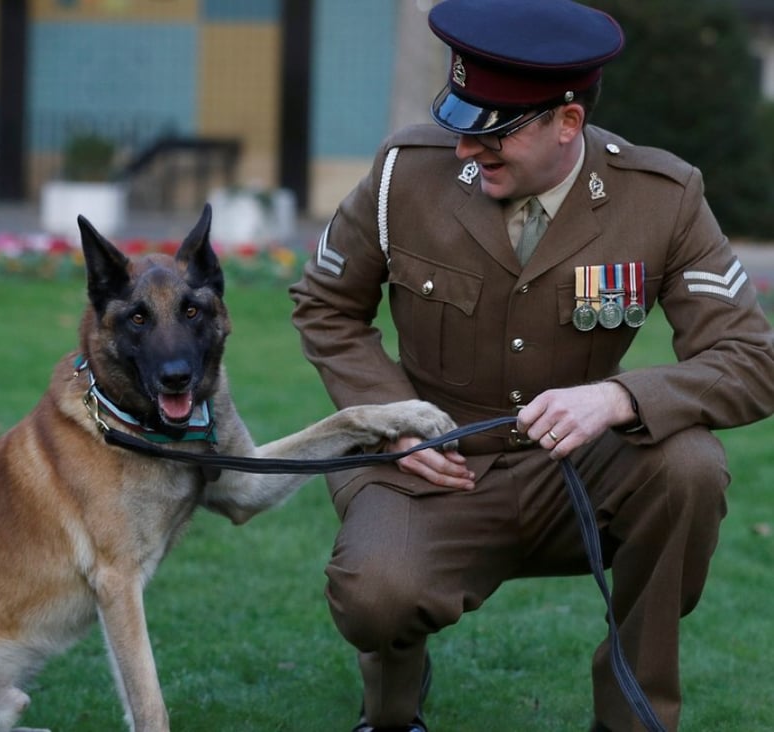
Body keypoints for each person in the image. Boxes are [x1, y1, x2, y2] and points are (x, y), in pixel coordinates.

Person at [288, 0, 774, 730]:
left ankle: (633, 717)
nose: (463, 151)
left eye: (495, 135)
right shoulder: (403, 176)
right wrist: (393, 423)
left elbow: (750, 359)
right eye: (459, 125)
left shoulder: (663, 199)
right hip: (432, 463)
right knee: (376, 595)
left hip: (578, 468)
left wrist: (617, 398)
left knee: (690, 466)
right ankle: (391, 704)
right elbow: (326, 305)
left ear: (567, 124)